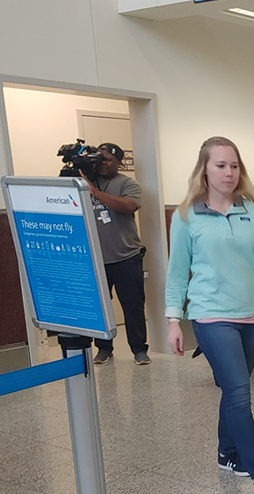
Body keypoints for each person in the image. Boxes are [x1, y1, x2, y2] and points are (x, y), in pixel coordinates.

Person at [165, 136, 254, 494]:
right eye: (220, 165)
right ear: (204, 169)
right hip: (210, 316)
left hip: (250, 315)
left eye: (234, 165)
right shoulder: (186, 216)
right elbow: (177, 272)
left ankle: (226, 453)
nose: (229, 172)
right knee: (240, 394)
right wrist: (172, 319)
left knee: (234, 390)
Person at [82, 142, 150, 365]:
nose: (102, 163)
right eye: (99, 159)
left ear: (119, 163)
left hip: (126, 257)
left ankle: (139, 350)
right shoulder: (83, 182)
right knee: (101, 307)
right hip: (96, 259)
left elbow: (128, 206)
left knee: (133, 306)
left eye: (108, 160)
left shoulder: (128, 183)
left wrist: (95, 192)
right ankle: (103, 348)